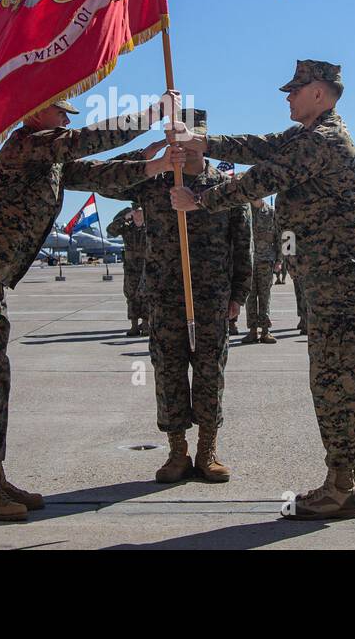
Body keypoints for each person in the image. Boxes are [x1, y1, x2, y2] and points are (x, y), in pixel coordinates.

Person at [0, 94, 178, 521]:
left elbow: (98, 172)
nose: (66, 120)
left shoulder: (49, 158)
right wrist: (151, 115)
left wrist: (152, 164)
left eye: (68, 116)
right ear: (34, 111)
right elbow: (84, 142)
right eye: (60, 112)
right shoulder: (26, 144)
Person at [170, 60, 355, 522]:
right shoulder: (305, 135)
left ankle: (342, 486)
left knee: (335, 380)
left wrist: (200, 200)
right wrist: (204, 142)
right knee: (328, 377)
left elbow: (262, 179)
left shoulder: (322, 141)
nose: (287, 98)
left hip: (341, 277)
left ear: (319, 94)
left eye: (295, 91)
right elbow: (260, 146)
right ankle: (341, 481)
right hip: (330, 274)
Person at [97, 110, 249, 483]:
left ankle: (207, 450)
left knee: (210, 372)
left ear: (203, 139)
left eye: (189, 137)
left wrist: (239, 294)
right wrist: (149, 155)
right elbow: (105, 182)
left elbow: (241, 246)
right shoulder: (154, 183)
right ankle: (177, 451)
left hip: (212, 297)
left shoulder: (226, 187)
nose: (183, 145)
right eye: (175, 137)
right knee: (169, 372)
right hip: (165, 295)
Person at [106, 205, 149, 337]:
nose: (138, 214)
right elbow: (111, 231)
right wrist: (124, 218)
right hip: (131, 266)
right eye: (135, 211)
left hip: (147, 264)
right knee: (131, 295)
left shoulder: (149, 226)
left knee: (147, 294)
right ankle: (134, 326)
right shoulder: (126, 226)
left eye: (140, 211)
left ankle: (146, 324)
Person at [243, 198, 280, 344]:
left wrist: (279, 260)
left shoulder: (271, 212)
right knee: (250, 297)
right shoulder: (246, 211)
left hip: (266, 261)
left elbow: (279, 237)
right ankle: (253, 331)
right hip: (249, 262)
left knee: (265, 296)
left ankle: (265, 331)